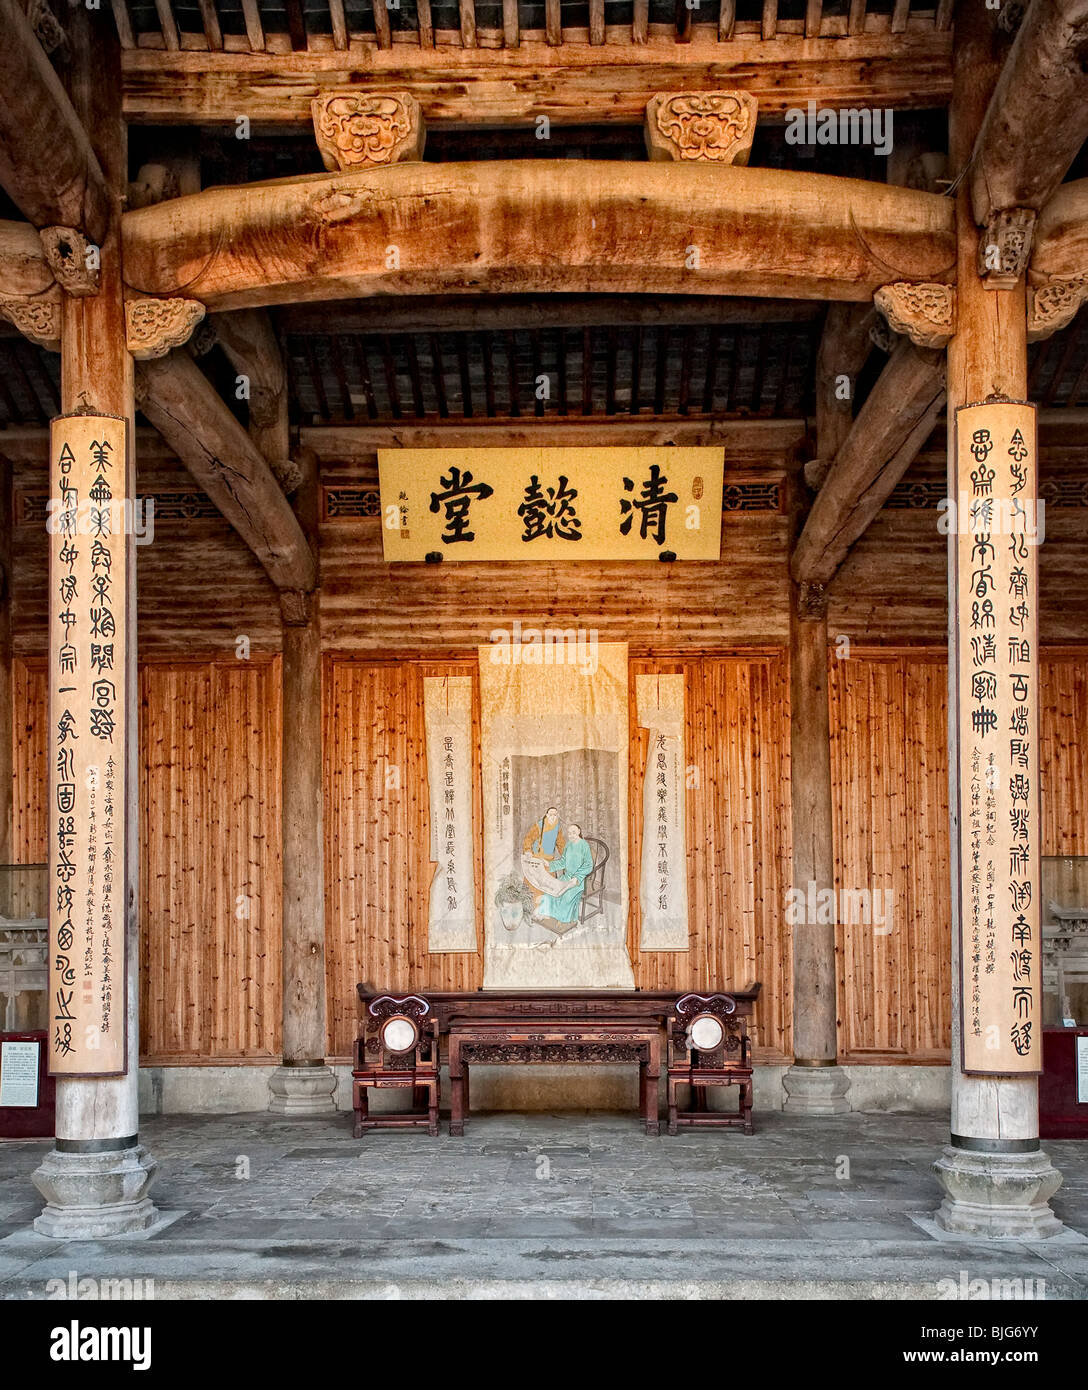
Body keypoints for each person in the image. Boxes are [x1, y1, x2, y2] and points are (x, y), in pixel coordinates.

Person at [533, 824, 593, 932]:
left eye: (574, 832)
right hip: (566, 877)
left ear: (579, 831)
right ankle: (548, 914)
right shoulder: (568, 845)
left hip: (577, 881)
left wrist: (577, 877)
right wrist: (549, 864)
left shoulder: (584, 845)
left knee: (566, 897)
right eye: (569, 833)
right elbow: (563, 861)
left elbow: (588, 865)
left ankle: (562, 920)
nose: (571, 835)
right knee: (551, 891)